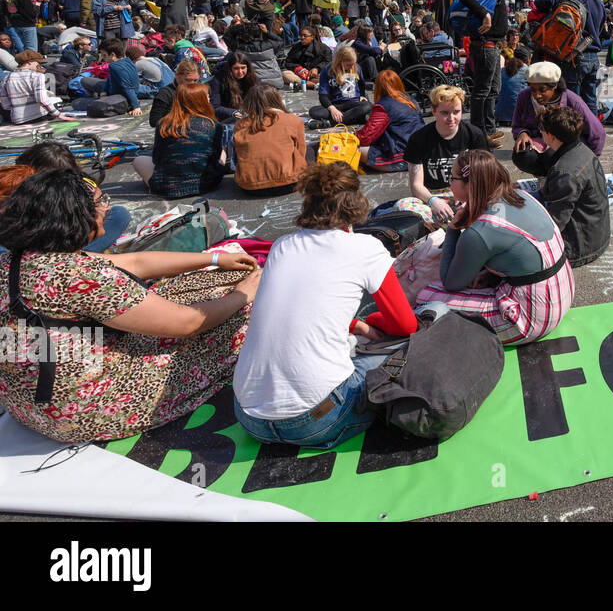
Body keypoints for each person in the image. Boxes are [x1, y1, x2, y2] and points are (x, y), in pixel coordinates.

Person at [0, 169, 260, 443]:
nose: (107, 208)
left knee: (187, 289)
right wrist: (243, 295)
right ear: (75, 215)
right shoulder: (83, 277)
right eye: (100, 202)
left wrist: (216, 258)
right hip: (82, 411)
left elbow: (136, 263)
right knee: (242, 317)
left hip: (28, 404)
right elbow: (189, 322)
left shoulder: (17, 260)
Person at [233, 163, 432, 450]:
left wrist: (354, 324)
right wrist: (371, 320)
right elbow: (405, 325)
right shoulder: (366, 248)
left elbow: (295, 308)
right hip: (316, 422)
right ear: (356, 203)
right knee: (414, 341)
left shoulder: (282, 246)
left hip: (249, 418)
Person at [413, 150, 574, 346]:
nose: (450, 182)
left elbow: (450, 282)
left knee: (425, 298)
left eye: (452, 177)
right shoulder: (520, 195)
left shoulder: (479, 231)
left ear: (469, 185)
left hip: (533, 318)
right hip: (562, 290)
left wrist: (453, 229)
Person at [513, 105, 611, 268]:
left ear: (551, 136)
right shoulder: (582, 149)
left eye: (541, 130)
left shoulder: (564, 171)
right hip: (596, 234)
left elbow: (554, 223)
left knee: (511, 250)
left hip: (580, 248)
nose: (540, 134)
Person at [405, 84, 490, 227]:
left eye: (456, 112)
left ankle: (444, 227)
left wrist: (469, 199)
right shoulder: (418, 139)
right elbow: (416, 185)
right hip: (433, 195)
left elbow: (485, 175)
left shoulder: (474, 135)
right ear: (433, 111)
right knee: (404, 206)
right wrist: (433, 202)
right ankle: (456, 225)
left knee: (493, 202)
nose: (451, 118)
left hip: (467, 192)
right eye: (445, 113)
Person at [533, 0, 607, 115]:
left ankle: (573, 136)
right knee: (590, 101)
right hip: (593, 57)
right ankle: (591, 136)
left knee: (571, 103)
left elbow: (541, 1)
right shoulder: (599, 1)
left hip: (572, 58)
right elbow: (600, 29)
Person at [133, 82, 227, 197]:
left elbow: (157, 158)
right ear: (200, 100)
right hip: (206, 184)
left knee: (138, 160)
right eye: (207, 97)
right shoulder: (213, 125)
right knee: (222, 151)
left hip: (167, 187)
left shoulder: (164, 123)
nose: (209, 99)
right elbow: (215, 157)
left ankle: (152, 183)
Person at [458, 0, 508, 136]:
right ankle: (478, 132)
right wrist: (484, 14)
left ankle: (489, 129)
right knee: (483, 90)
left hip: (492, 45)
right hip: (484, 45)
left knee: (493, 89)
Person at [511, 60, 605, 158]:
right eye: (533, 90)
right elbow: (516, 125)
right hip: (540, 144)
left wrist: (590, 160)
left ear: (554, 85)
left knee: (554, 155)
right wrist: (522, 133)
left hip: (569, 149)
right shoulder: (524, 96)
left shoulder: (573, 101)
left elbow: (597, 132)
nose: (537, 95)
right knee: (523, 155)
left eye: (542, 90)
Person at [232, 83, 307, 196]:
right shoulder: (293, 120)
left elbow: (239, 154)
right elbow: (301, 152)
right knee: (312, 150)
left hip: (249, 186)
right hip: (289, 183)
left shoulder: (240, 125)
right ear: (276, 99)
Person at [355, 69, 424, 171]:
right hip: (420, 155)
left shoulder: (383, 105)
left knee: (353, 150)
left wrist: (353, 135)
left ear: (378, 87)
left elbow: (366, 137)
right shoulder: (411, 101)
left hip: (400, 158)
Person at [308, 45, 371, 128]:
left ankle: (330, 123)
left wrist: (362, 95)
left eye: (353, 64)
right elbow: (323, 96)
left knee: (368, 106)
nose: (352, 67)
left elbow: (361, 84)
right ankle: (354, 118)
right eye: (348, 65)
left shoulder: (357, 68)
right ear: (340, 61)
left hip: (353, 104)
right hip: (337, 105)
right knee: (314, 111)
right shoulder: (328, 70)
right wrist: (333, 109)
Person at [0, 51, 71, 124]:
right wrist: (58, 114)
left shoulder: (6, 78)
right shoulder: (37, 76)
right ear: (30, 62)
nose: (39, 65)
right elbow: (42, 100)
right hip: (38, 117)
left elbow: (6, 105)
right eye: (38, 62)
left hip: (17, 119)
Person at [149, 57, 201, 127]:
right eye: (188, 80)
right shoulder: (165, 93)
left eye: (195, 80)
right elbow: (154, 121)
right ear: (177, 75)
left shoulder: (199, 91)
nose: (192, 84)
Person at [208, 50, 257, 123]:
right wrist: (233, 112)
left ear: (248, 68)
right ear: (230, 68)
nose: (240, 72)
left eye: (243, 68)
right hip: (227, 118)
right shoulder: (218, 80)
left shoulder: (252, 79)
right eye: (236, 68)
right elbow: (214, 107)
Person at [281, 24, 331, 89]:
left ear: (312, 37)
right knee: (285, 74)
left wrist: (317, 68)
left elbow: (329, 62)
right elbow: (288, 62)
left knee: (329, 75)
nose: (302, 38)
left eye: (305, 36)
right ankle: (307, 84)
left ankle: (305, 84)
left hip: (317, 75)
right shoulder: (296, 47)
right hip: (300, 76)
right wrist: (298, 69)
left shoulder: (323, 48)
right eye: (301, 36)